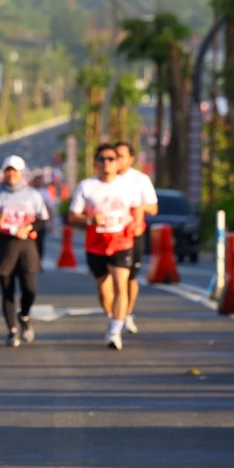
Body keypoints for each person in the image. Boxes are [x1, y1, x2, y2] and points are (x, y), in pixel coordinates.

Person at [68, 144, 143, 351]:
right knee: (104, 291)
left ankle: (115, 331)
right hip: (96, 245)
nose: (107, 163)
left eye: (111, 159)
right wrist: (90, 220)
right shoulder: (87, 186)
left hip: (122, 243)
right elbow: (73, 216)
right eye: (102, 159)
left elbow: (137, 207)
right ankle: (113, 317)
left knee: (121, 284)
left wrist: (136, 223)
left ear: (118, 163)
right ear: (95, 163)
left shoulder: (128, 186)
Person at [0, 157, 49, 347]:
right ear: (4, 172)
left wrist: (28, 228)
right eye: (8, 171)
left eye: (15, 171)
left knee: (30, 289)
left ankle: (25, 316)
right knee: (7, 291)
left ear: (22, 173)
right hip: (4, 247)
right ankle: (12, 330)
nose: (11, 175)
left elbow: (42, 219)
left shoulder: (32, 194)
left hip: (26, 245)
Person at [114, 141, 158, 335]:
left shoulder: (139, 179)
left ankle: (127, 313)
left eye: (121, 156)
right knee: (110, 280)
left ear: (131, 158)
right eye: (113, 155)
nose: (116, 160)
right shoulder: (105, 179)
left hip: (133, 235)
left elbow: (154, 208)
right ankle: (114, 315)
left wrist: (139, 208)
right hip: (110, 236)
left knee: (129, 278)